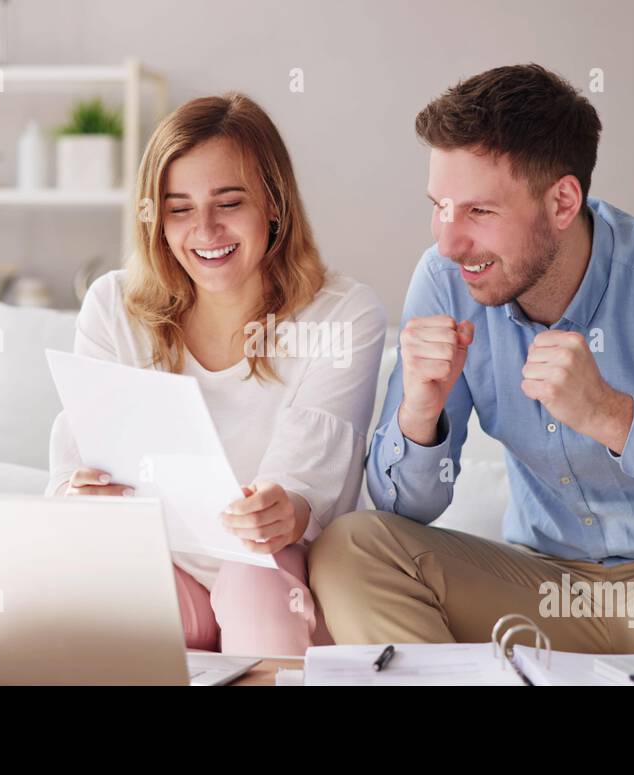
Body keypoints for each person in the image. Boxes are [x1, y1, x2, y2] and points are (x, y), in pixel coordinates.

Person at [310, 64, 634, 671]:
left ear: (563, 200)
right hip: (536, 591)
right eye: (440, 207)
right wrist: (419, 415)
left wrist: (614, 417)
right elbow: (404, 511)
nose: (449, 240)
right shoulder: (447, 277)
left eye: (479, 212)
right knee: (349, 548)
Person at [46, 92, 386, 656]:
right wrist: (77, 493)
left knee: (252, 582)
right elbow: (74, 464)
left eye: (228, 202)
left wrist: (285, 507)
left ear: (274, 204)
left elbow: (306, 486)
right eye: (179, 208)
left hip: (279, 573)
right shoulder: (113, 305)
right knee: (96, 592)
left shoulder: (344, 313)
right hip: (163, 562)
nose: (204, 229)